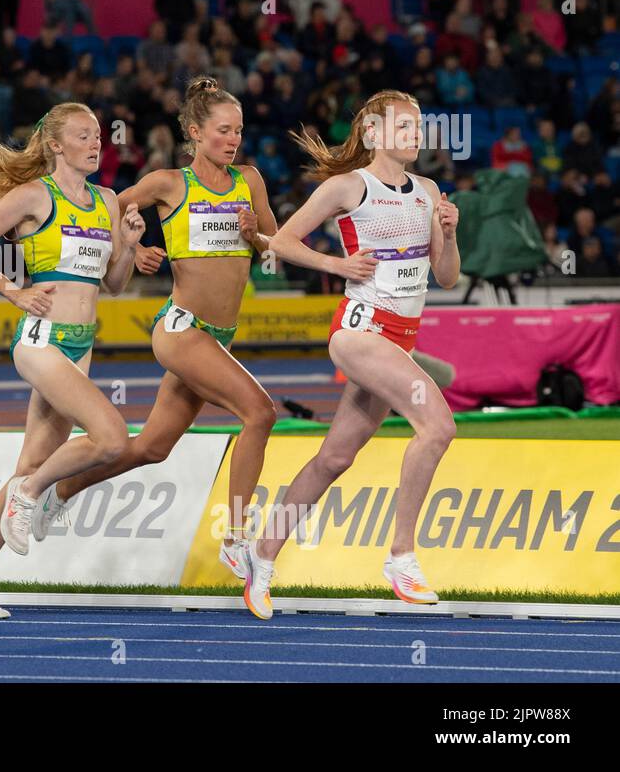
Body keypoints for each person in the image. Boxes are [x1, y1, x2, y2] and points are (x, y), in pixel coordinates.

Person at [29, 78, 280, 583]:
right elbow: (110, 209)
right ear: (195, 131)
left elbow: (273, 250)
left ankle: (59, 491)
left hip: (218, 335)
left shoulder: (249, 179)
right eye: (223, 130)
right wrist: (130, 249)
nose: (233, 140)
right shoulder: (169, 183)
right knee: (260, 412)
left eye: (239, 131)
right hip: (181, 330)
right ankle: (236, 541)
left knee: (151, 447)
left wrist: (257, 235)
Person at [244, 90, 461, 619]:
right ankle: (401, 557)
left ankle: (261, 555)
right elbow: (280, 242)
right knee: (438, 428)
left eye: (419, 127)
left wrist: (450, 235)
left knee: (335, 458)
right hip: (360, 331)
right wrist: (338, 267)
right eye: (405, 126)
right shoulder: (348, 187)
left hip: (400, 340)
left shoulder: (429, 190)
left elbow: (448, 275)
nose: (416, 134)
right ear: (372, 134)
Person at [0, 102, 142, 618]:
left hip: (82, 342)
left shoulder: (109, 201)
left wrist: (128, 248)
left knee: (32, 460)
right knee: (112, 438)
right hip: (41, 338)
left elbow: (115, 286)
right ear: (56, 145)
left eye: (99, 135)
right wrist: (12, 291)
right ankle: (31, 494)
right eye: (83, 136)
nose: (96, 143)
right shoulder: (35, 195)